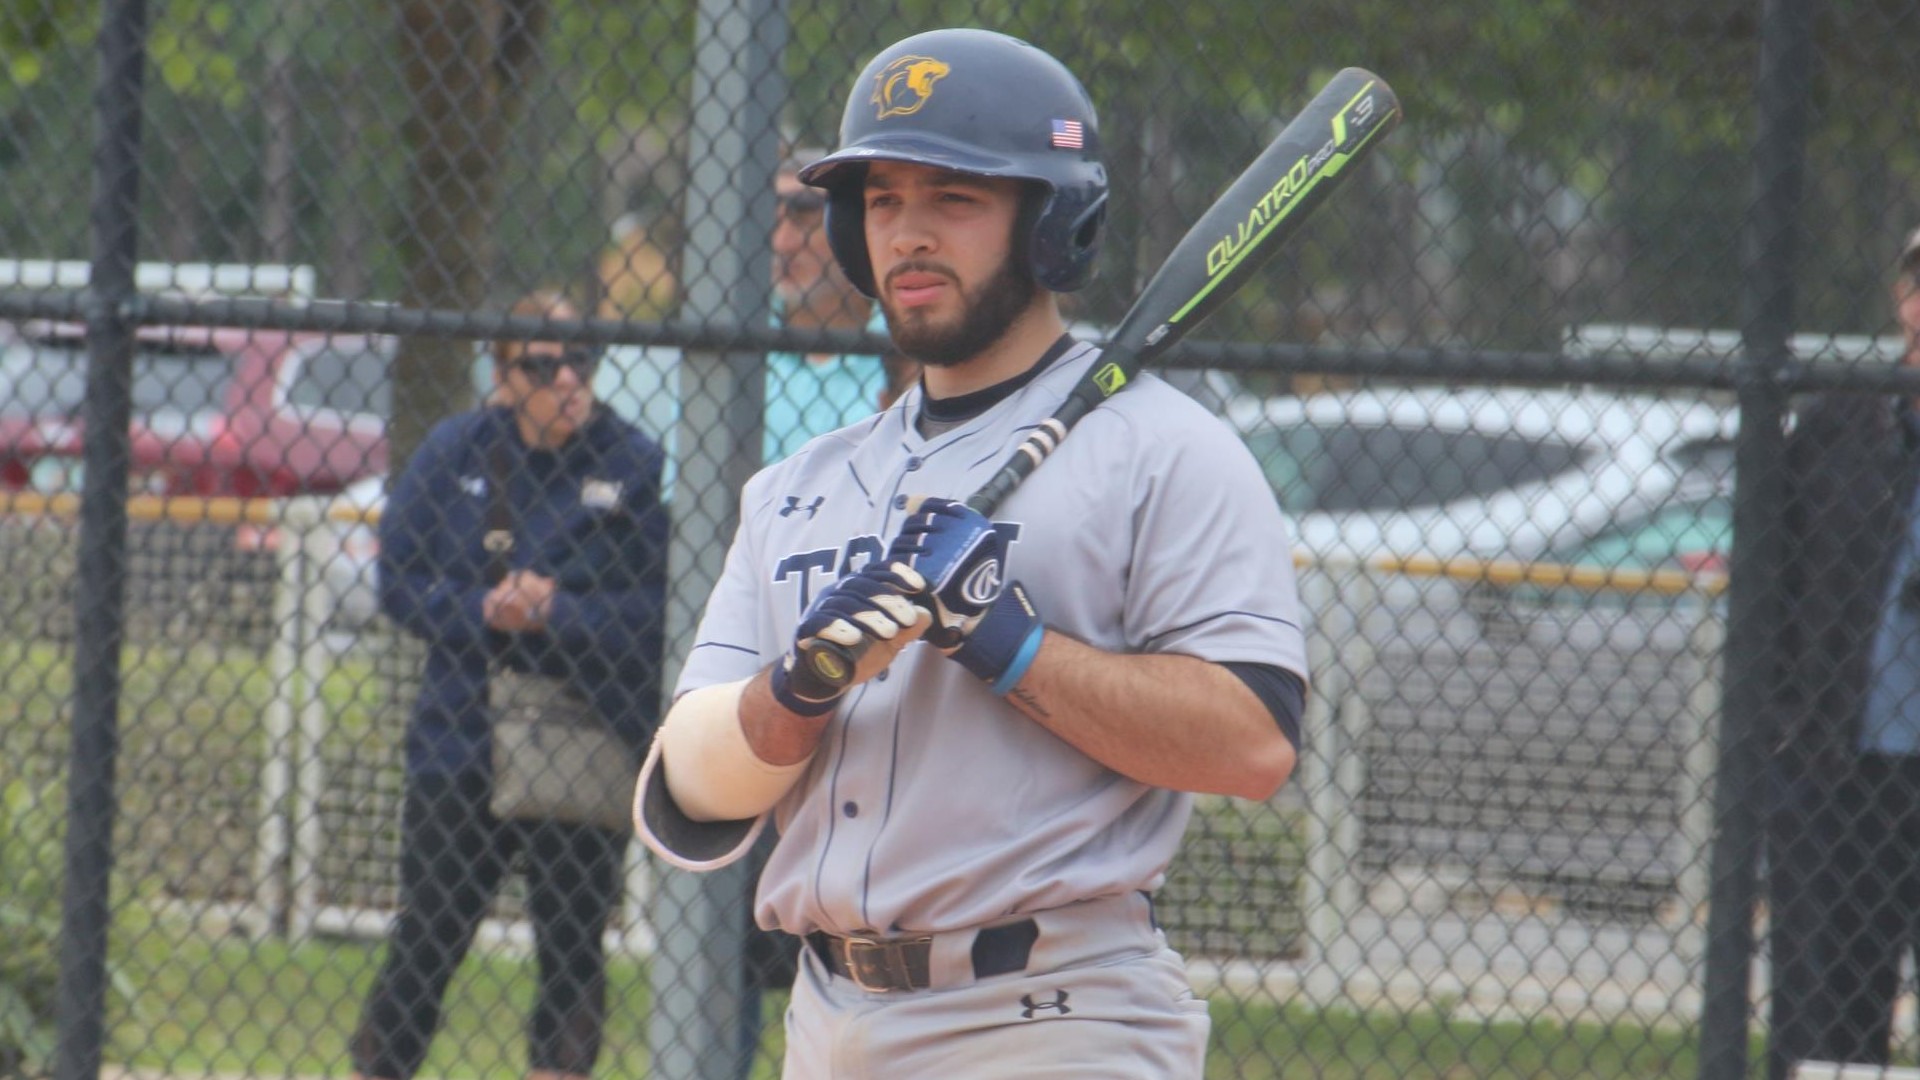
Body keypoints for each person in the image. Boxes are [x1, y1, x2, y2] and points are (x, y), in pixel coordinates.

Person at [633, 29, 1306, 1076]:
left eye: (954, 198)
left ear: (1050, 224)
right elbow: (695, 778)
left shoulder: (1164, 450)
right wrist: (801, 686)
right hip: (825, 1019)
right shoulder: (797, 487)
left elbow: (1252, 743)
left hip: (1051, 1019)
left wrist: (1005, 643)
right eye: (883, 201)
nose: (908, 234)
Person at [351, 290, 668, 1080]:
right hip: (461, 732)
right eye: (542, 365)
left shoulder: (631, 463)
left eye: (581, 360)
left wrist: (561, 610)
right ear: (502, 377)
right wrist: (482, 610)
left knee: (572, 941)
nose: (568, 380)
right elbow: (397, 581)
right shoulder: (456, 450)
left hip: (577, 728)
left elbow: (661, 608)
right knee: (429, 930)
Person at [1764, 226, 1920, 1079]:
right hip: (1839, 765)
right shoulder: (1839, 425)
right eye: (1918, 281)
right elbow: (1775, 585)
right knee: (1827, 1018)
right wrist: (1785, 721)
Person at [764, 145, 918, 459]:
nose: (782, 243)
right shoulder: (730, 348)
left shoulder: (915, 341)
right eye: (769, 219)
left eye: (803, 216)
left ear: (851, 225)